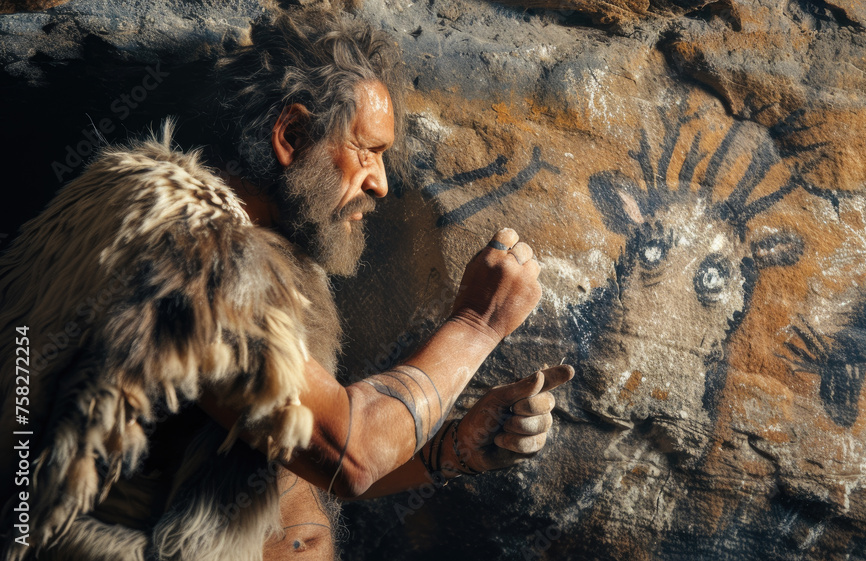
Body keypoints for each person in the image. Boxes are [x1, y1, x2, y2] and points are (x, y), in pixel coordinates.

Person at [0, 8, 573, 561]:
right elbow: (353, 456)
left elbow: (302, 461)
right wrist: (477, 324)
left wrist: (453, 449)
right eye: (369, 151)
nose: (381, 184)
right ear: (291, 133)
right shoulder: (196, 251)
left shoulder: (247, 241)